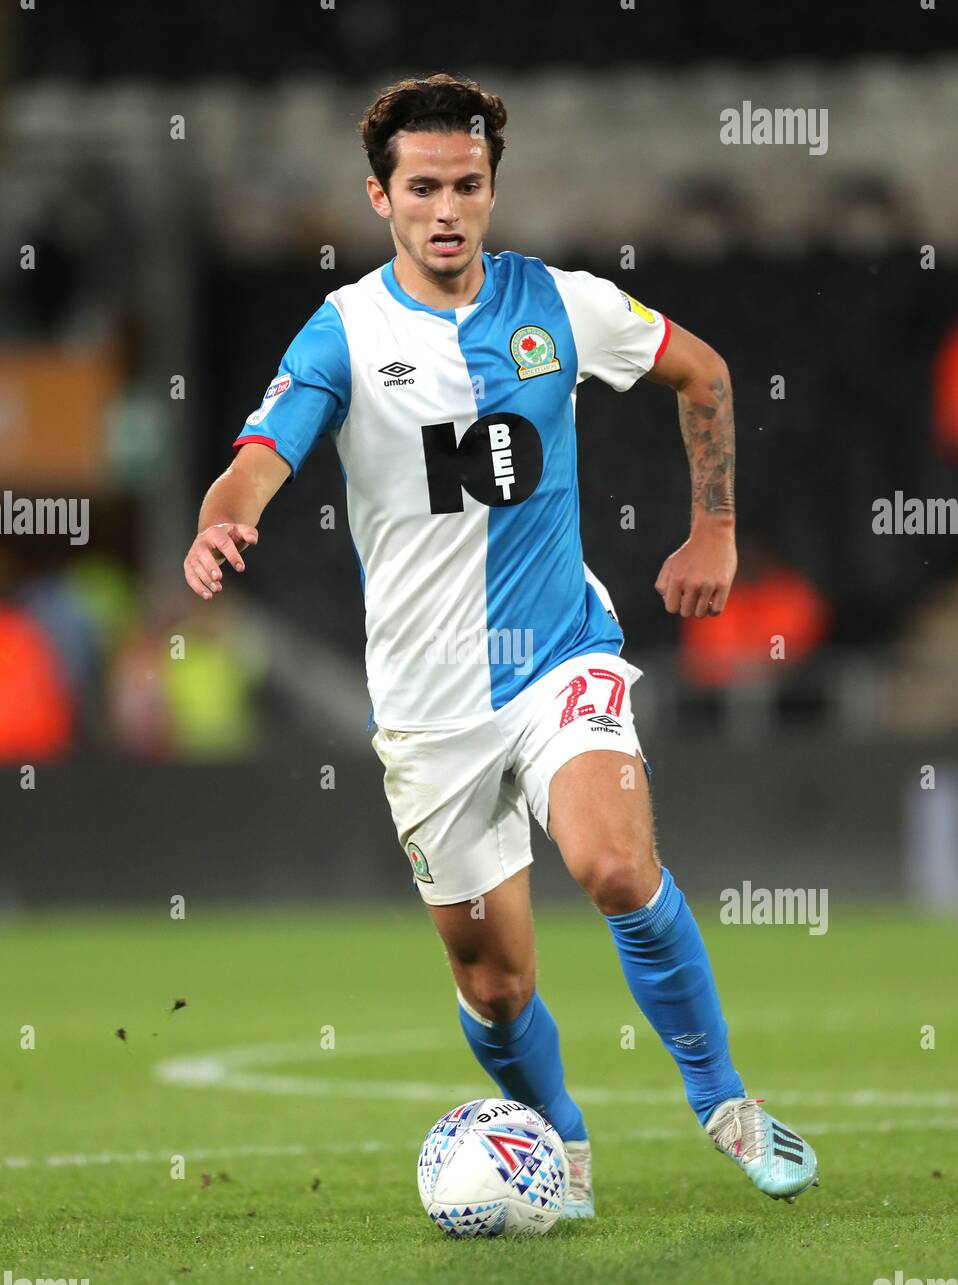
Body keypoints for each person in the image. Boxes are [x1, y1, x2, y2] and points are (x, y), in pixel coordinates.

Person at [184, 73, 819, 1218]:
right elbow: (260, 452)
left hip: (557, 658)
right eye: (420, 187)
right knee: (494, 978)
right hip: (428, 708)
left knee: (616, 866)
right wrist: (226, 515)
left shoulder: (560, 305)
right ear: (378, 196)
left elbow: (702, 371)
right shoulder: (343, 331)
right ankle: (559, 1145)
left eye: (466, 185)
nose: (446, 209)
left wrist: (712, 528)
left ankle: (726, 1106)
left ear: (491, 190)